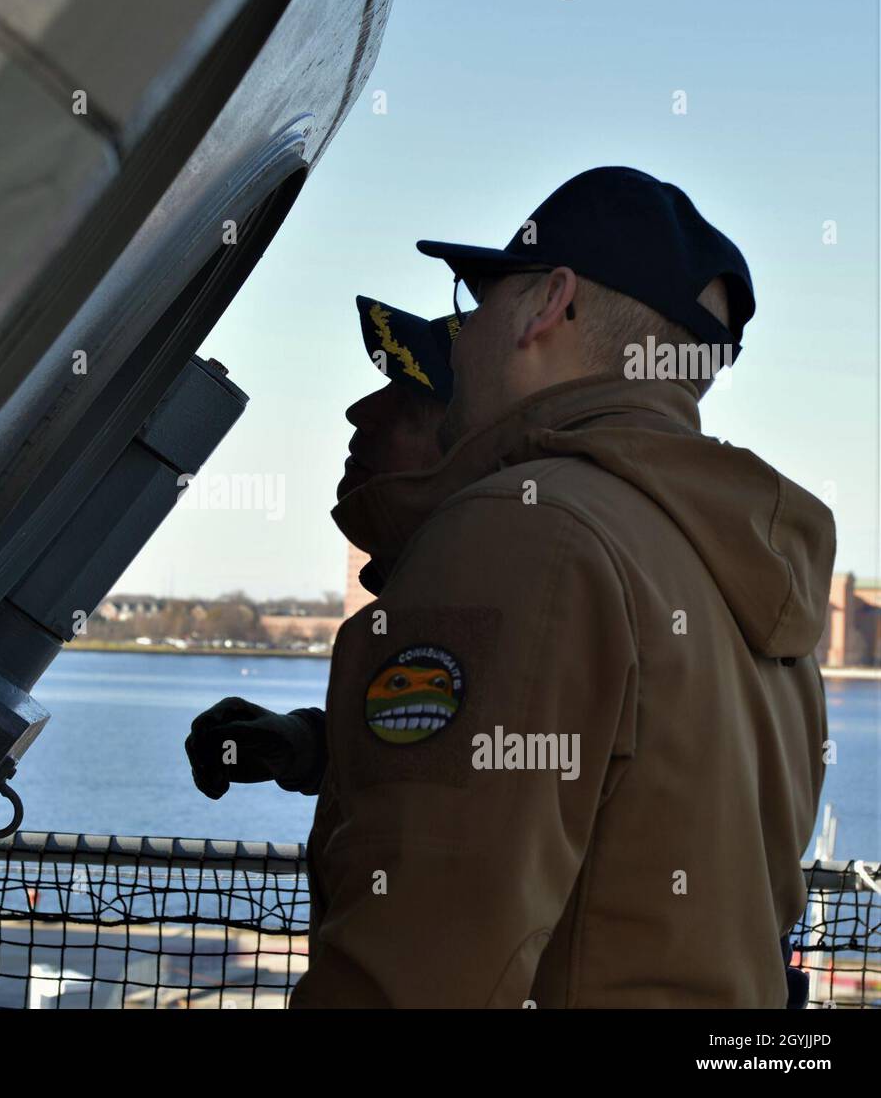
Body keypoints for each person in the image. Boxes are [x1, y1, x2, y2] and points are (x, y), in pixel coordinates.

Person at [185, 167, 834, 1008]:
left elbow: (416, 970)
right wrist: (326, 746)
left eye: (477, 294)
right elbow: (631, 794)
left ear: (549, 305)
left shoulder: (525, 532)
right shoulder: (741, 564)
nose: (465, 330)